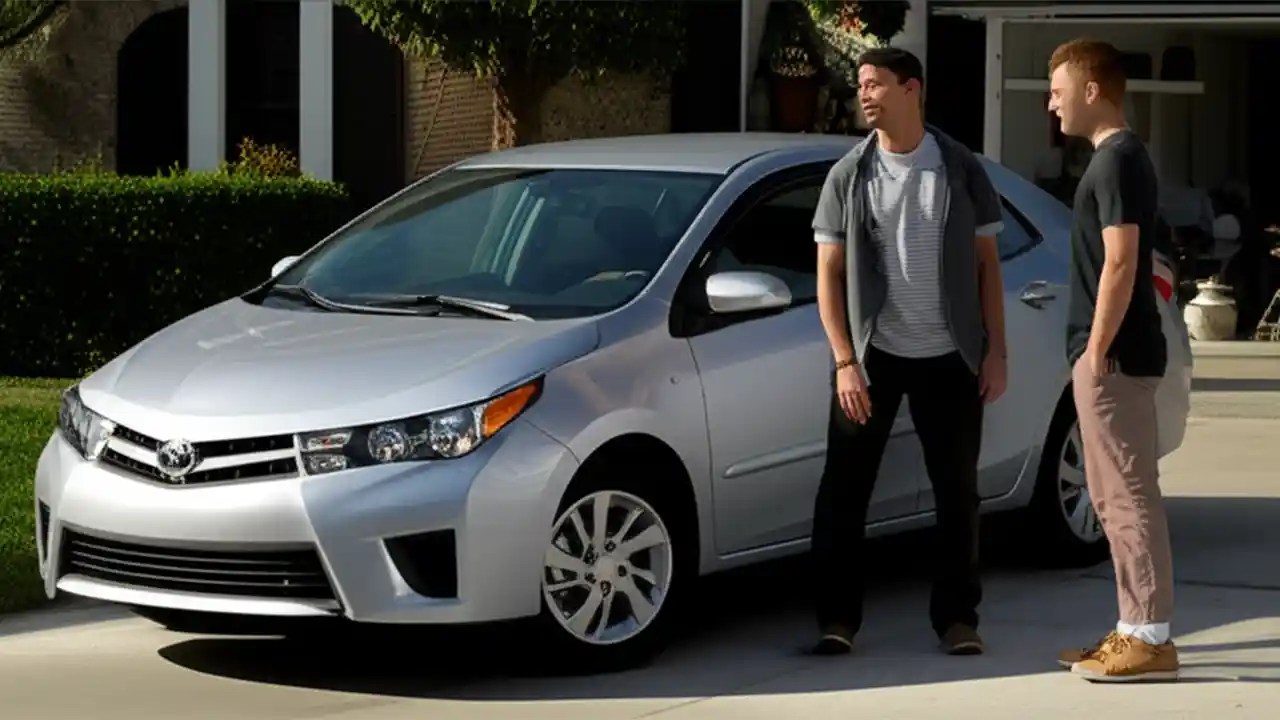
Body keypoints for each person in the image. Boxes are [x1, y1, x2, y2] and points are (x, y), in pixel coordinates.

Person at [808, 47, 1007, 656]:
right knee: (844, 490)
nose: (864, 94)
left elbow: (986, 265)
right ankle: (837, 620)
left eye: (875, 84)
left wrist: (995, 351)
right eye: (860, 85)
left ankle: (957, 620)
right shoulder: (849, 174)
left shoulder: (959, 167)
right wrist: (845, 361)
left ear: (911, 89)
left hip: (949, 355)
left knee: (957, 492)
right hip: (874, 358)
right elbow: (828, 276)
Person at [1046, 38, 1179, 682]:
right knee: (1108, 496)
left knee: (1127, 494)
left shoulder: (1119, 160)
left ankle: (1150, 636)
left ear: (1092, 90)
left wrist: (1097, 349)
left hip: (1117, 360)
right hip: (1108, 358)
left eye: (1058, 90)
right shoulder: (1113, 160)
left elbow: (1121, 262)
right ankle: (1131, 629)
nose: (1052, 103)